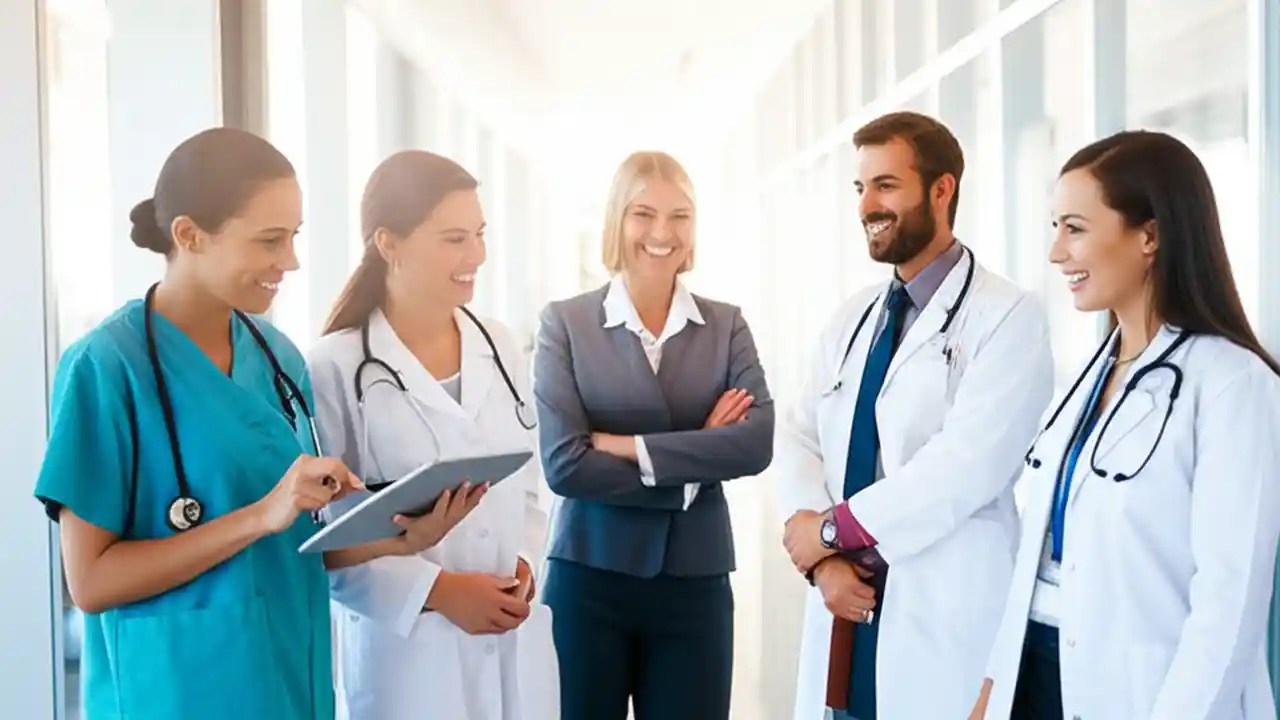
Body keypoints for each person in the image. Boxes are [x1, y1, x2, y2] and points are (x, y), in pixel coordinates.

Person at [33, 127, 364, 719]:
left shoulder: (279, 357)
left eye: (293, 237)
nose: (288, 261)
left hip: (288, 678)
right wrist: (259, 515)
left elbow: (291, 539)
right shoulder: (107, 368)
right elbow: (91, 582)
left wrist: (400, 532)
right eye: (269, 240)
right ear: (188, 234)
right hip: (173, 693)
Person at [970, 131, 1280, 720]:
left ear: (1150, 235)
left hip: (1145, 694)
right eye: (1054, 227)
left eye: (1075, 228)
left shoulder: (1232, 385)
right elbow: (1038, 561)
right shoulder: (1091, 376)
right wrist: (992, 691)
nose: (1056, 253)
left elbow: (1229, 604)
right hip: (1037, 673)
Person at [777, 111, 1054, 720]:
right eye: (860, 188)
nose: (867, 206)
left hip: (939, 604)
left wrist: (830, 532)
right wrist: (824, 561)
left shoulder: (1008, 318)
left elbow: (962, 469)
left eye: (886, 186)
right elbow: (799, 435)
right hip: (845, 602)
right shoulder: (852, 318)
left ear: (942, 189)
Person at [307, 149, 557, 720]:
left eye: (480, 234)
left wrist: (523, 562)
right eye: (454, 239)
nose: (477, 255)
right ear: (388, 244)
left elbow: (528, 488)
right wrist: (440, 592)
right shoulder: (335, 367)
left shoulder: (499, 344)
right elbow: (327, 540)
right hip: (409, 661)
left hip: (511, 636)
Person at [533, 150, 774, 720]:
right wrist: (696, 461)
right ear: (617, 220)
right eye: (644, 214)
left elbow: (755, 442)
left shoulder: (726, 324)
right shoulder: (564, 323)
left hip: (694, 582)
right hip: (589, 577)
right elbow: (565, 465)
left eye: (680, 216)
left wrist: (625, 446)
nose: (662, 233)